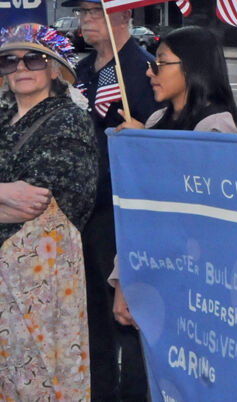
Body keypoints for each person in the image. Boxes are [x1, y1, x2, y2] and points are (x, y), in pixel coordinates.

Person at [62, 0, 158, 402]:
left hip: (122, 211)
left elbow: (161, 141)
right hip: (82, 211)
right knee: (91, 317)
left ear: (124, 14)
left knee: (127, 316)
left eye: (94, 11)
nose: (85, 20)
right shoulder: (80, 70)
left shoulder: (143, 70)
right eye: (82, 13)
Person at [111, 26, 237, 328]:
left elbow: (200, 211)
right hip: (151, 269)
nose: (150, 73)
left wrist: (148, 149)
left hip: (195, 284)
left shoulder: (217, 127)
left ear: (192, 66)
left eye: (160, 63)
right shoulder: (156, 119)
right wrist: (122, 277)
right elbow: (138, 211)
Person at [0, 23, 98, 400]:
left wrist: (14, 198)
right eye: (10, 60)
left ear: (56, 69)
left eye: (34, 59)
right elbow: (15, 200)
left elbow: (39, 203)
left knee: (38, 381)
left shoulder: (67, 120)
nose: (21, 68)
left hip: (38, 282)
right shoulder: (3, 116)